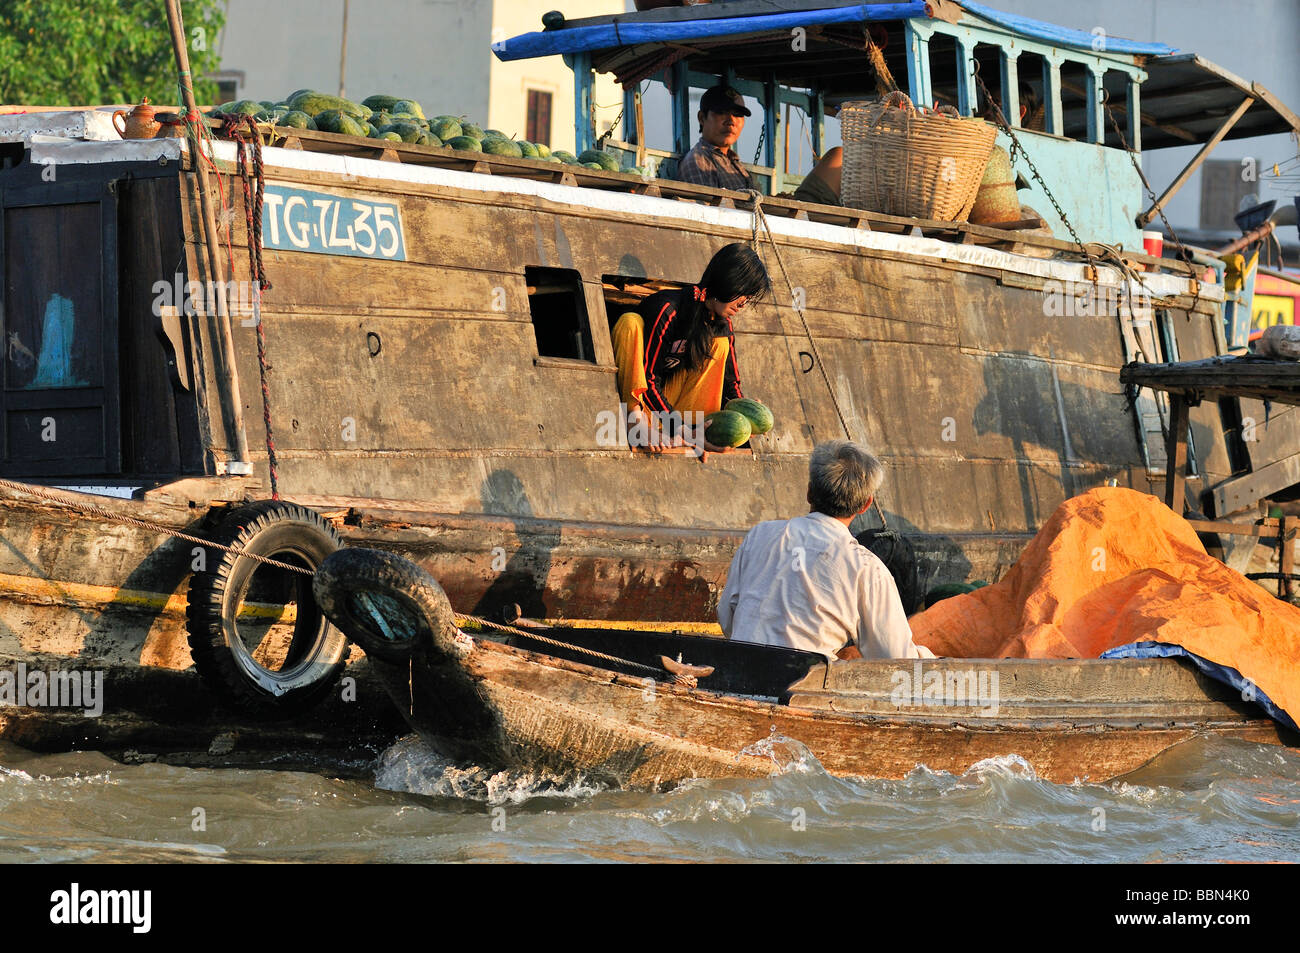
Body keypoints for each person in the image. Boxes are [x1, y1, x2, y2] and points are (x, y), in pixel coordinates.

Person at [718, 440, 937, 661]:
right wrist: (935, 661)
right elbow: (895, 659)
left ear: (809, 492)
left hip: (739, 668)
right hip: (802, 687)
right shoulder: (867, 568)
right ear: (865, 505)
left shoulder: (760, 534)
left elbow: (727, 617)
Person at [611, 242, 770, 447]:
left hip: (675, 416)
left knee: (719, 344)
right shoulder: (669, 310)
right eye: (743, 294)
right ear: (729, 282)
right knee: (629, 323)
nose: (743, 304)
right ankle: (637, 425)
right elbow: (649, 380)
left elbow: (731, 384)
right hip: (643, 406)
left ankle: (699, 433)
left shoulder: (722, 324)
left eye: (748, 298)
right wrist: (677, 426)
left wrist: (746, 414)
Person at [672, 85, 754, 191]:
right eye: (722, 112)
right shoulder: (699, 163)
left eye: (738, 114)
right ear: (702, 118)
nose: (731, 121)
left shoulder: (734, 162)